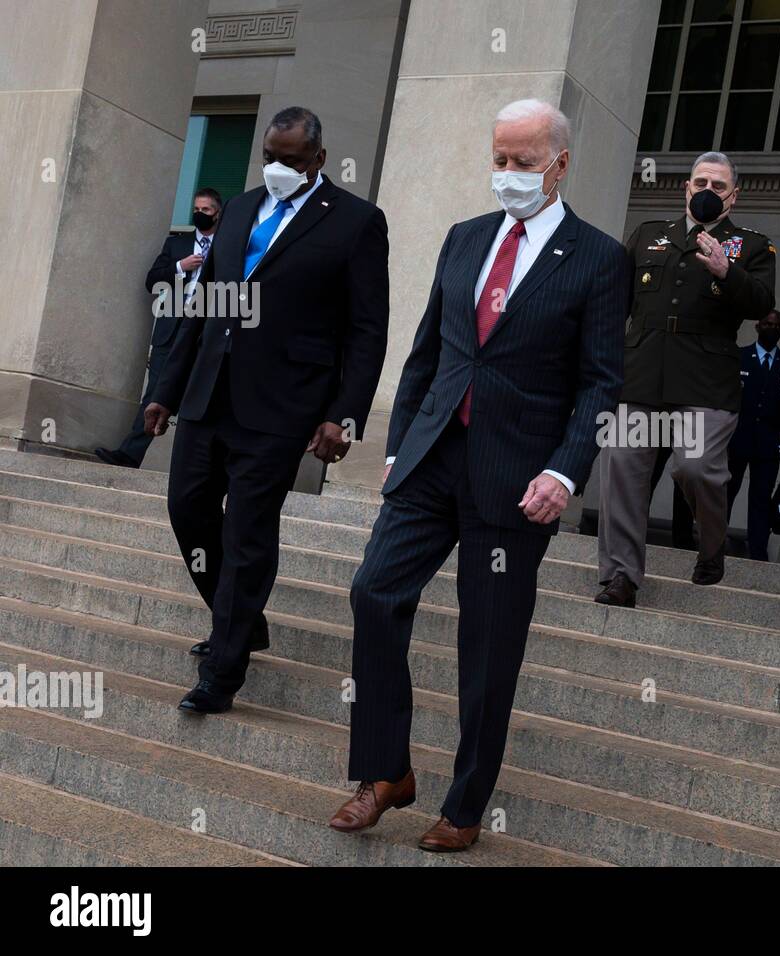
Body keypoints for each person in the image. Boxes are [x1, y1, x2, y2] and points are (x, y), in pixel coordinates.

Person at [329, 99, 628, 852]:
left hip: (518, 478)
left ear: (560, 164)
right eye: (499, 158)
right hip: (432, 460)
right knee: (374, 591)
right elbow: (428, 351)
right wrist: (398, 445)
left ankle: (465, 805)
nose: (507, 174)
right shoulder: (464, 240)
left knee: (488, 645)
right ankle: (384, 772)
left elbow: (599, 381)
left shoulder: (597, 258)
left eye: (523, 162)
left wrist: (565, 471)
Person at [144, 107, 390, 710]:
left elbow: (367, 330)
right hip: (209, 396)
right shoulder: (240, 209)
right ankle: (243, 619)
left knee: (249, 530)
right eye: (271, 156)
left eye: (293, 160)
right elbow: (205, 307)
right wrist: (164, 390)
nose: (279, 168)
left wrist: (344, 414)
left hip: (284, 408)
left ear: (320, 160)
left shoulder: (357, 222)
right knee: (187, 509)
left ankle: (222, 673)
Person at [595, 151, 775, 606]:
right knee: (622, 465)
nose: (707, 192)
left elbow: (761, 304)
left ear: (733, 196)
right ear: (686, 188)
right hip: (642, 373)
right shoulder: (650, 235)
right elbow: (616, 304)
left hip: (706, 380)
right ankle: (621, 576)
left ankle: (711, 545)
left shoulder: (751, 245)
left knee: (695, 468)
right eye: (701, 183)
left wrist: (725, 270)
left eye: (718, 186)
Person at [95, 188, 223, 468]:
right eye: (197, 210)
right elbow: (152, 281)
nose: (200, 214)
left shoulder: (228, 246)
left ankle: (197, 466)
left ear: (218, 213)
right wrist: (180, 266)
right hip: (171, 330)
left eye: (206, 210)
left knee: (200, 397)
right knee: (154, 393)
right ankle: (129, 455)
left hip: (205, 331)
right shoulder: (177, 244)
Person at [727, 309, 780, 560]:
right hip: (735, 439)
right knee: (726, 492)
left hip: (769, 445)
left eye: (777, 326)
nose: (772, 328)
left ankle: (757, 552)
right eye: (767, 324)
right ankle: (712, 544)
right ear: (757, 327)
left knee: (761, 500)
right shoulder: (738, 357)